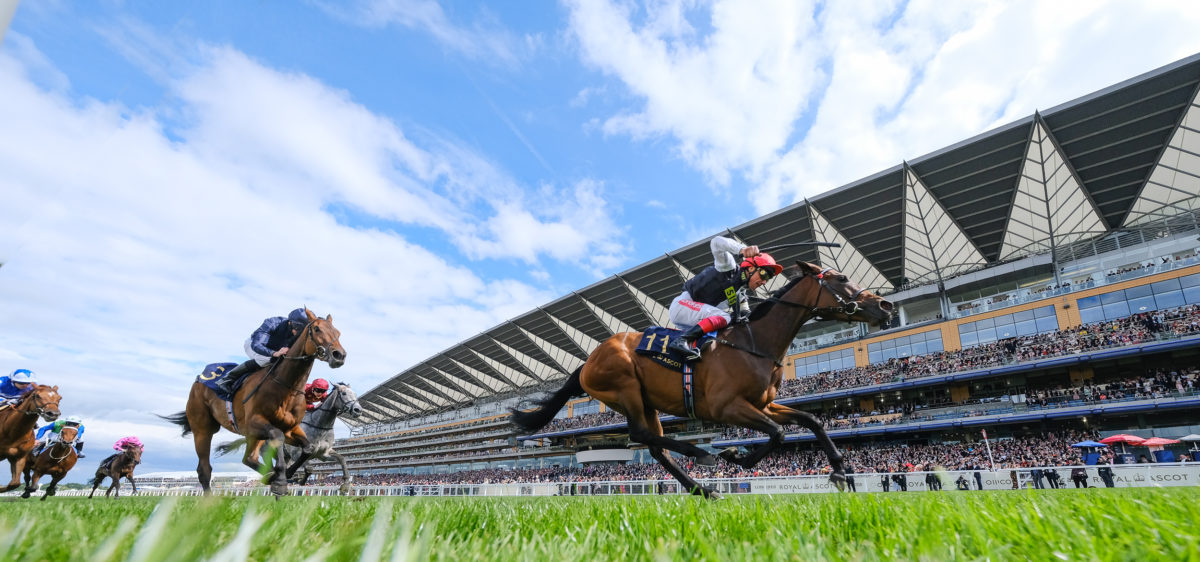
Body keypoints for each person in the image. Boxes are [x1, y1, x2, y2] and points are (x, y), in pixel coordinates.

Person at [667, 236, 783, 360]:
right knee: (724, 317)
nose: (764, 282)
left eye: (768, 278)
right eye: (764, 274)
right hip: (682, 306)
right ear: (750, 268)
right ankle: (682, 340)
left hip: (690, 321)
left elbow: (747, 316)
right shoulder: (728, 267)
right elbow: (716, 242)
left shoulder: (741, 294)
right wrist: (742, 249)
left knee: (731, 323)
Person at [214, 308, 311, 396]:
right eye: (297, 328)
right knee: (267, 359)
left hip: (276, 350)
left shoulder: (298, 332)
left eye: (301, 330)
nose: (296, 332)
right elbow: (257, 345)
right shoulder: (272, 323)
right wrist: (274, 353)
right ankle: (226, 379)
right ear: (290, 322)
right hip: (254, 345)